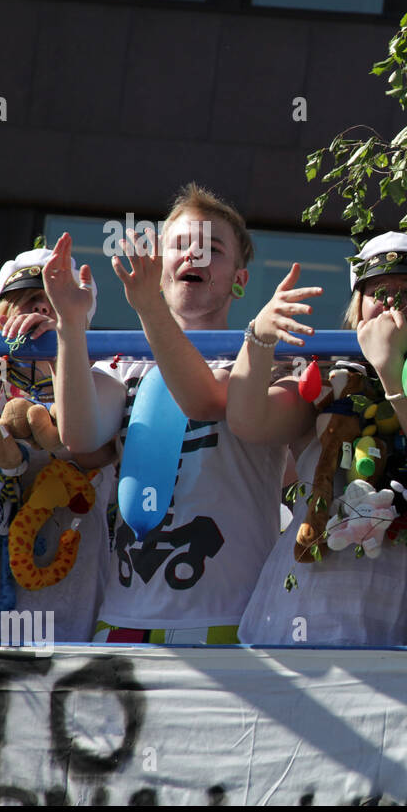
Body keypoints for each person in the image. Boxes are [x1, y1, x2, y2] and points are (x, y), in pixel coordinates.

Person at [46, 183, 286, 644]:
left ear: (240, 278)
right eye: (180, 246)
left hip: (230, 621)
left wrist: (149, 309)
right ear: (159, 268)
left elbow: (207, 399)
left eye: (211, 249)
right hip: (120, 621)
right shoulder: (121, 363)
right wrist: (70, 325)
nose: (193, 257)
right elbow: (77, 436)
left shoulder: (259, 358)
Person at [233, 231, 407, 646]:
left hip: (405, 608)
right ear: (357, 306)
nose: (391, 300)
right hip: (303, 604)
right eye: (378, 290)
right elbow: (248, 421)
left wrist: (389, 370)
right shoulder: (329, 377)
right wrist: (259, 336)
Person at [0, 244, 113, 642]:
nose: (41, 312)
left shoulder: (107, 388)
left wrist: (62, 348)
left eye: (55, 303)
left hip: (66, 626)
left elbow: (83, 444)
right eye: (29, 301)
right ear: (2, 316)